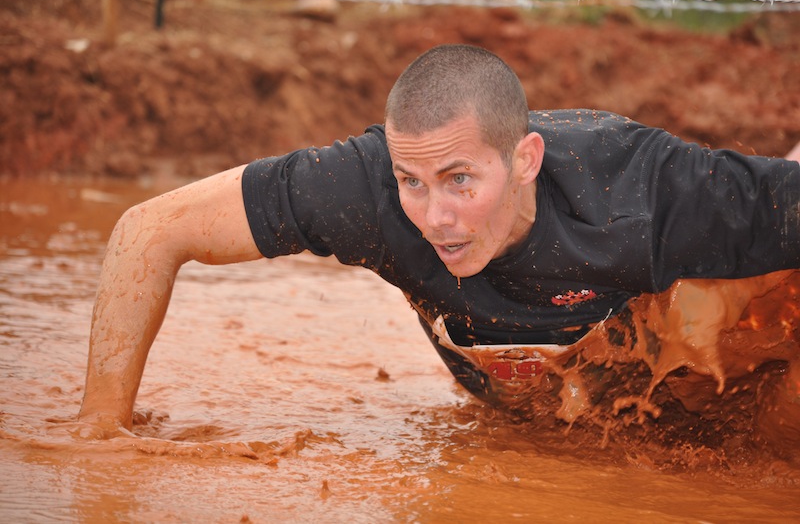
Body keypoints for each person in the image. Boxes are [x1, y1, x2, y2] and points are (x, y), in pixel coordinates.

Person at [78, 44, 800, 442]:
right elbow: (148, 230)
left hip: (659, 343)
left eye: (459, 181)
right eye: (412, 182)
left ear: (524, 161)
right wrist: (99, 433)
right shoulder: (362, 189)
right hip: (517, 384)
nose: (435, 217)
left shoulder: (646, 190)